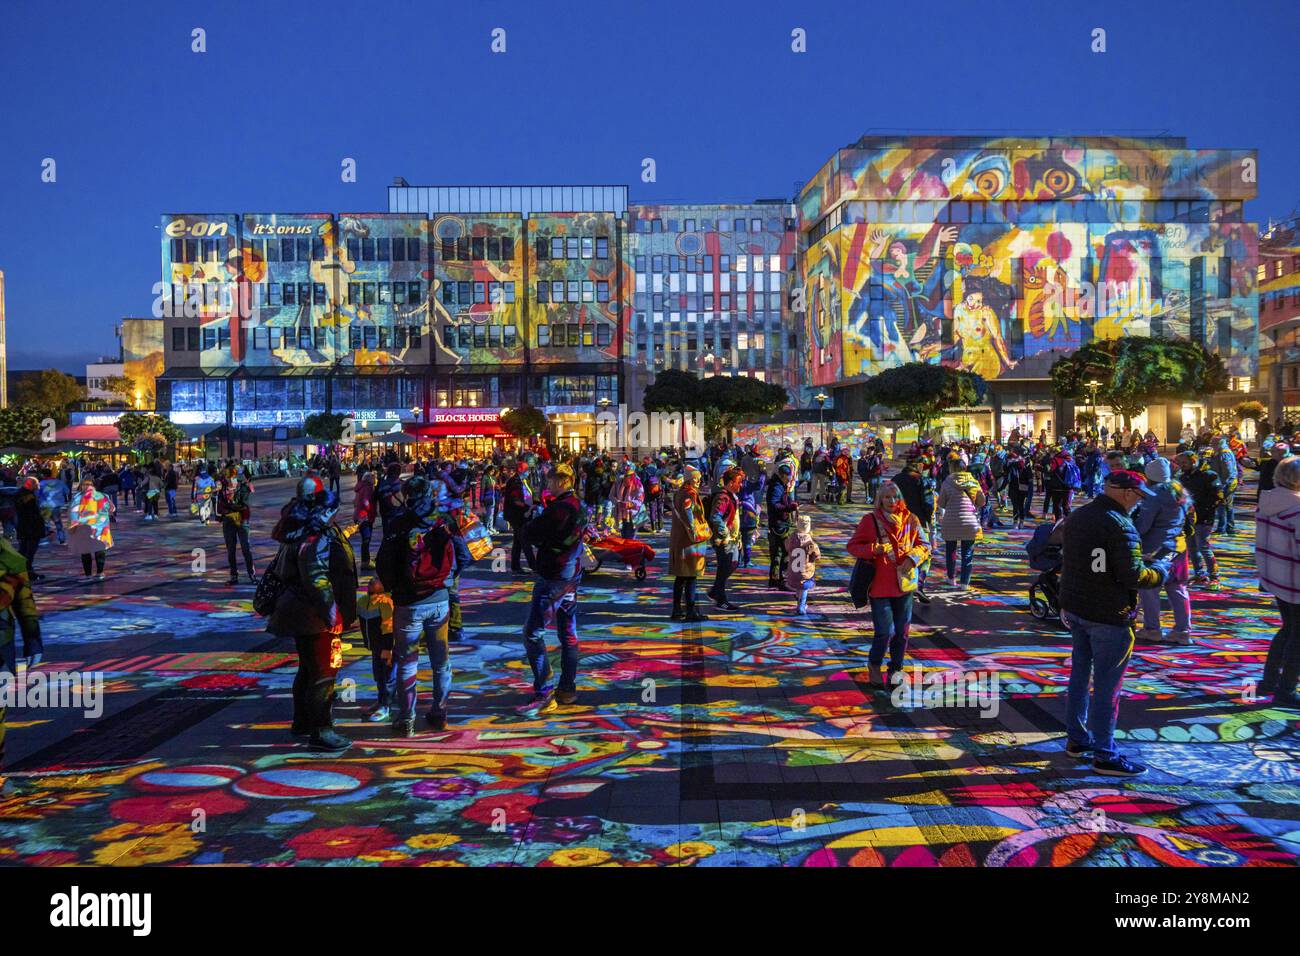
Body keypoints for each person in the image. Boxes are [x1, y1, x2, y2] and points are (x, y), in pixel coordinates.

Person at [1058, 470, 1171, 777]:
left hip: (1077, 606)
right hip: (1108, 612)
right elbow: (1132, 576)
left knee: (1080, 675)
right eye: (1138, 496)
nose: (1139, 503)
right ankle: (1105, 753)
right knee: (1108, 684)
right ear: (1124, 492)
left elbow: (1077, 560)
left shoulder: (1079, 515)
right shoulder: (1121, 525)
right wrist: (1160, 570)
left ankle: (1077, 739)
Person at [266, 475, 358, 752]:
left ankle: (303, 721)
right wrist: (334, 616)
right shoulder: (314, 535)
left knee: (308, 668)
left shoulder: (300, 527)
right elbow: (317, 579)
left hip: (300, 613)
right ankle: (321, 730)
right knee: (324, 672)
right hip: (315, 616)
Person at [376, 475, 472, 736]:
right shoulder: (444, 520)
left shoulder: (398, 522)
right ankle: (439, 712)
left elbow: (383, 564)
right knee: (441, 661)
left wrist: (395, 588)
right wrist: (447, 579)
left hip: (408, 603)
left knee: (407, 661)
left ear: (407, 496)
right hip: (439, 600)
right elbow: (465, 555)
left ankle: (406, 718)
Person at [846, 480, 930, 689]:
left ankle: (896, 669)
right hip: (880, 586)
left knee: (902, 632)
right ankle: (875, 664)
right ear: (880, 499)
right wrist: (874, 549)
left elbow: (925, 544)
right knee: (885, 631)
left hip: (905, 585)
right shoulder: (870, 520)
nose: (892, 501)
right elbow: (853, 546)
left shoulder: (911, 519)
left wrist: (914, 557)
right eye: (887, 497)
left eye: (895, 496)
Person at [518, 462, 585, 712]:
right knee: (568, 633)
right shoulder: (580, 505)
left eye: (550, 481)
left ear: (560, 482)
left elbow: (530, 534)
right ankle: (567, 688)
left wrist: (534, 519)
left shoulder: (558, 510)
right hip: (571, 575)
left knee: (532, 633)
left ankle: (545, 690)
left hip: (553, 577)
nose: (547, 485)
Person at [1253, 455, 1300, 708]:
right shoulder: (1296, 509)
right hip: (1295, 580)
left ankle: (1269, 680)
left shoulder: (1268, 502)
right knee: (1296, 636)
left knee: (1288, 629)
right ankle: (1287, 688)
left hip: (1277, 577)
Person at [1133, 458, 1193, 644]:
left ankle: (1152, 629)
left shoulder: (1154, 495)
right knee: (1178, 588)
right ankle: (1183, 630)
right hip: (1178, 547)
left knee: (1149, 589)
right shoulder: (1178, 491)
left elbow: (1143, 525)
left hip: (1156, 549)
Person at [669, 464, 712, 622]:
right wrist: (697, 532)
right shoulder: (688, 495)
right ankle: (690, 611)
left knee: (681, 577)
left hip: (680, 539)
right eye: (696, 478)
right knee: (691, 575)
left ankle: (677, 609)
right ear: (689, 480)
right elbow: (689, 516)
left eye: (699, 478)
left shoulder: (680, 493)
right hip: (688, 541)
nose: (699, 481)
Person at [935, 455, 984, 590]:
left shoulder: (947, 482)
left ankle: (951, 579)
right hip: (970, 523)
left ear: (952, 469)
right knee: (967, 553)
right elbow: (981, 502)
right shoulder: (973, 482)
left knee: (951, 551)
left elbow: (941, 503)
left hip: (951, 521)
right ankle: (964, 583)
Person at [1177, 450, 1223, 590]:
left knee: (1203, 545)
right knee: (1191, 546)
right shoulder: (1184, 477)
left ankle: (1215, 577)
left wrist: (1204, 510)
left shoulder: (1209, 475)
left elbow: (1218, 496)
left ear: (1193, 461)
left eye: (1184, 462)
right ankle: (1200, 574)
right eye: (1180, 463)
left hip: (1204, 517)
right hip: (1188, 517)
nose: (1182, 465)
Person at [356, 578, 396, 723]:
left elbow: (389, 627)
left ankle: (386, 705)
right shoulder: (363, 602)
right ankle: (381, 701)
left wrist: (388, 648)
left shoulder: (385, 602)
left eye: (377, 580)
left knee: (388, 676)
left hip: (385, 647)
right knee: (379, 675)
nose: (372, 580)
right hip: (375, 646)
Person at [706, 467, 744, 612]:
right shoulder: (723, 497)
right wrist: (725, 534)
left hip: (732, 538)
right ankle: (721, 600)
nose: (741, 485)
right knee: (724, 568)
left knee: (733, 563)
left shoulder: (732, 496)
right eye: (738, 482)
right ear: (731, 483)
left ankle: (715, 591)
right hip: (724, 540)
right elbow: (715, 517)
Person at [216, 465, 256, 585]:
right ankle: (234, 576)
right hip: (228, 522)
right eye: (228, 478)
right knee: (231, 550)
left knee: (246, 548)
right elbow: (219, 505)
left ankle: (252, 575)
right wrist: (229, 508)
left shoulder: (243, 487)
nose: (230, 480)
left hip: (241, 521)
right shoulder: (222, 489)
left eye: (232, 477)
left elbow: (244, 505)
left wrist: (228, 507)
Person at [67, 479, 114, 581]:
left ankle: (95, 573)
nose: (86, 486)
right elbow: (112, 509)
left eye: (88, 484)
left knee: (92, 551)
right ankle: (95, 573)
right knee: (93, 550)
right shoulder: (101, 496)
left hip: (90, 528)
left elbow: (73, 511)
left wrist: (73, 524)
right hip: (92, 528)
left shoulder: (79, 497)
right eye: (85, 484)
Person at [766, 460, 799, 589]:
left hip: (780, 523)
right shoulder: (776, 487)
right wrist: (788, 507)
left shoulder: (780, 486)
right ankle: (780, 580)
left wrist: (792, 503)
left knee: (778, 553)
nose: (789, 479)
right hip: (778, 524)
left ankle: (775, 579)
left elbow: (784, 500)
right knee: (783, 552)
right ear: (781, 475)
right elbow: (774, 504)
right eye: (787, 476)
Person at [503, 461, 537, 574]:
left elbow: (530, 493)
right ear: (521, 470)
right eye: (527, 470)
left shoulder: (524, 480)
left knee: (518, 541)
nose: (528, 472)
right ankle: (534, 566)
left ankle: (515, 566)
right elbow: (515, 500)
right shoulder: (514, 482)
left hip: (524, 513)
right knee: (525, 540)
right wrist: (528, 506)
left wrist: (535, 502)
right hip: (517, 515)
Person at [784, 513, 820, 615]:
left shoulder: (792, 538)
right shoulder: (810, 542)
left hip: (793, 571)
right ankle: (801, 606)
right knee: (804, 588)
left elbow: (786, 547)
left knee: (797, 587)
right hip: (806, 572)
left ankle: (798, 602)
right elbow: (817, 555)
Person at [14, 477, 46, 582]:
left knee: (25, 550)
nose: (38, 487)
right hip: (30, 527)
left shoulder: (22, 493)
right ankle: (26, 572)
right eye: (36, 484)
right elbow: (31, 513)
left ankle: (25, 571)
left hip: (25, 526)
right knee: (28, 551)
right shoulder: (28, 496)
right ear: (30, 484)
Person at [1210, 439, 1240, 534]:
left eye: (1213, 443)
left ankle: (1227, 527)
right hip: (1225, 482)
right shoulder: (1220, 452)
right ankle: (1224, 527)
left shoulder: (1224, 453)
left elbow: (1227, 471)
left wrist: (1222, 484)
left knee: (1225, 505)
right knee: (1223, 505)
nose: (1211, 445)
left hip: (1227, 483)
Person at [612, 461, 645, 539]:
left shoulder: (637, 484)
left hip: (633, 515)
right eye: (626, 475)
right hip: (621, 513)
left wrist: (630, 504)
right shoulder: (618, 482)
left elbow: (640, 499)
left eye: (629, 475)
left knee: (631, 536)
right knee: (623, 534)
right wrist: (617, 502)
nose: (627, 477)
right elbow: (611, 495)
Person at [353, 468, 377, 569]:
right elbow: (365, 501)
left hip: (358, 515)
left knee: (365, 539)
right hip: (365, 517)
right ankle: (365, 562)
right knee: (366, 539)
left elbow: (355, 501)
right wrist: (370, 509)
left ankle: (365, 561)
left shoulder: (360, 487)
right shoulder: (368, 487)